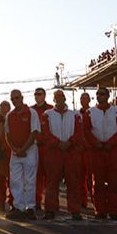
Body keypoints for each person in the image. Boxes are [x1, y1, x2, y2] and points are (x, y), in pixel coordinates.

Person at [40, 89, 85, 221]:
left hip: (71, 151)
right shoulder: (47, 115)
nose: (59, 100)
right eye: (57, 97)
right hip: (54, 152)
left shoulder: (75, 115)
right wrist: (58, 143)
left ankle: (75, 210)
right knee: (51, 182)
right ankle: (50, 210)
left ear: (65, 99)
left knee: (73, 182)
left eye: (61, 97)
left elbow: (79, 133)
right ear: (53, 99)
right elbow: (45, 134)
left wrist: (69, 142)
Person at [85, 87, 117, 220]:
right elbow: (86, 131)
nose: (100, 96)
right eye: (97, 94)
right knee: (97, 182)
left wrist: (111, 143)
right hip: (97, 151)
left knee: (114, 182)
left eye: (102, 94)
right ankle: (100, 210)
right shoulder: (90, 112)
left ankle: (115, 210)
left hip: (112, 150)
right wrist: (95, 143)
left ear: (108, 96)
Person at [5, 89, 41, 220]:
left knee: (30, 180)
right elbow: (7, 134)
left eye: (17, 98)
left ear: (22, 98)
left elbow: (34, 132)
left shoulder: (32, 113)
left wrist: (24, 149)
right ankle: (18, 207)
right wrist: (15, 149)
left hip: (30, 150)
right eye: (13, 99)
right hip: (15, 152)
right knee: (15, 180)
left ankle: (30, 208)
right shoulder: (10, 115)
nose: (15, 101)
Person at [31, 88, 53, 211]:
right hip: (35, 146)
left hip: (49, 147)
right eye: (35, 94)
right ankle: (37, 202)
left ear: (44, 95)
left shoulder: (51, 109)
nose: (37, 96)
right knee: (36, 176)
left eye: (39, 94)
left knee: (50, 177)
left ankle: (50, 204)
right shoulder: (31, 110)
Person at [0, 100, 14, 211]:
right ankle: (0, 202)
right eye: (2, 106)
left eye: (6, 106)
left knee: (12, 179)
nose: (4, 108)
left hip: (10, 152)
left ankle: (12, 201)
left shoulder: (12, 119)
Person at [78, 92, 93, 208]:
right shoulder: (76, 114)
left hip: (90, 148)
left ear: (89, 100)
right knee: (79, 175)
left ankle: (94, 200)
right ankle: (82, 201)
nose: (83, 100)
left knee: (92, 175)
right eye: (82, 98)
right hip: (79, 149)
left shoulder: (93, 113)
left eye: (85, 98)